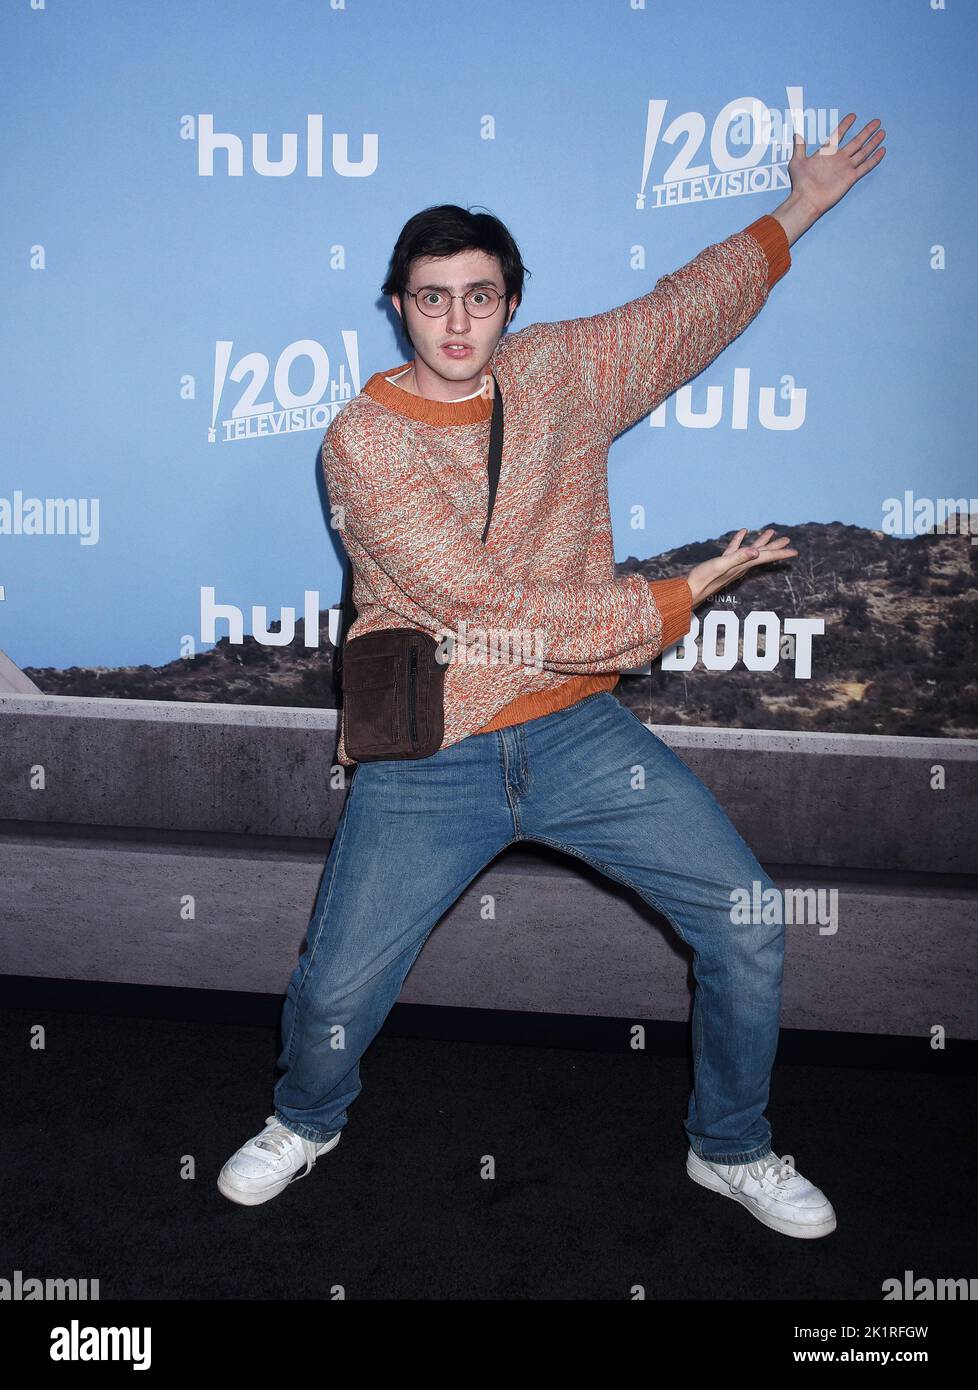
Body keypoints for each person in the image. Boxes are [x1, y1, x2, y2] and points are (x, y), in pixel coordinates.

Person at [219, 114, 885, 1236]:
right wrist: (673, 599)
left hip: (577, 731)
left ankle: (731, 1146)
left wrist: (803, 205)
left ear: (511, 303)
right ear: (397, 305)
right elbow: (484, 607)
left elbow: (684, 310)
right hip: (433, 747)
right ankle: (306, 1119)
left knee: (748, 917)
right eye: (432, 298)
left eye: (479, 296)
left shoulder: (561, 373)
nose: (456, 321)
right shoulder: (361, 441)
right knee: (335, 987)